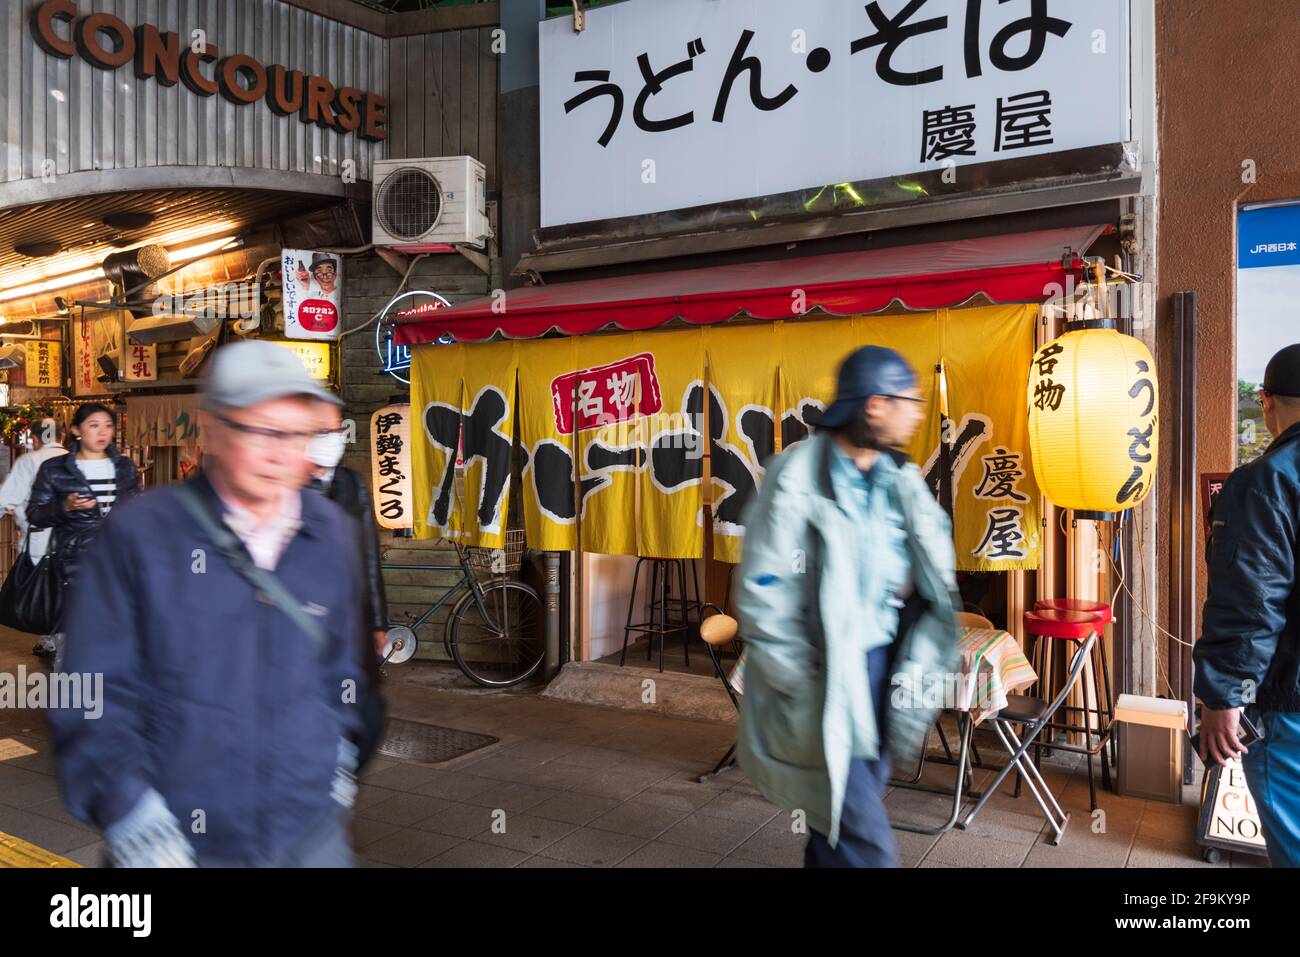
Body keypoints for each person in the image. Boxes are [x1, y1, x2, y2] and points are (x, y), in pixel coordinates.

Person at [47, 340, 370, 867]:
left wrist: (336, 765)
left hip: (307, 834)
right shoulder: (142, 533)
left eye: (296, 434)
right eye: (259, 430)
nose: (279, 453)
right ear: (212, 428)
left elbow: (342, 669)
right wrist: (128, 809)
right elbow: (91, 689)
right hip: (176, 839)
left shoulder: (328, 530)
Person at [735, 345, 960, 868]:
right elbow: (764, 590)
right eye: (911, 401)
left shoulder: (895, 479)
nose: (919, 413)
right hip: (828, 677)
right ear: (876, 405)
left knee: (833, 825)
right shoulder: (796, 478)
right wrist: (800, 683)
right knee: (866, 845)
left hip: (885, 668)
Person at [1194, 342, 1300, 868]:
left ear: (1267, 401)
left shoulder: (1268, 481)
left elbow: (1251, 600)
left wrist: (1224, 698)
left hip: (1289, 708)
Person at [26, 405, 138, 661]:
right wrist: (65, 506)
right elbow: (36, 514)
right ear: (77, 430)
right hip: (72, 565)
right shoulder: (55, 469)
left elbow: (135, 512)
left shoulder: (123, 467)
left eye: (108, 425)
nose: (102, 432)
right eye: (94, 425)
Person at [306, 404, 389, 655]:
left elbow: (369, 558)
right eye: (324, 431)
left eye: (338, 429)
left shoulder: (353, 483)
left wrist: (377, 622)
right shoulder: (283, 484)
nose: (334, 437)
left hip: (347, 619)